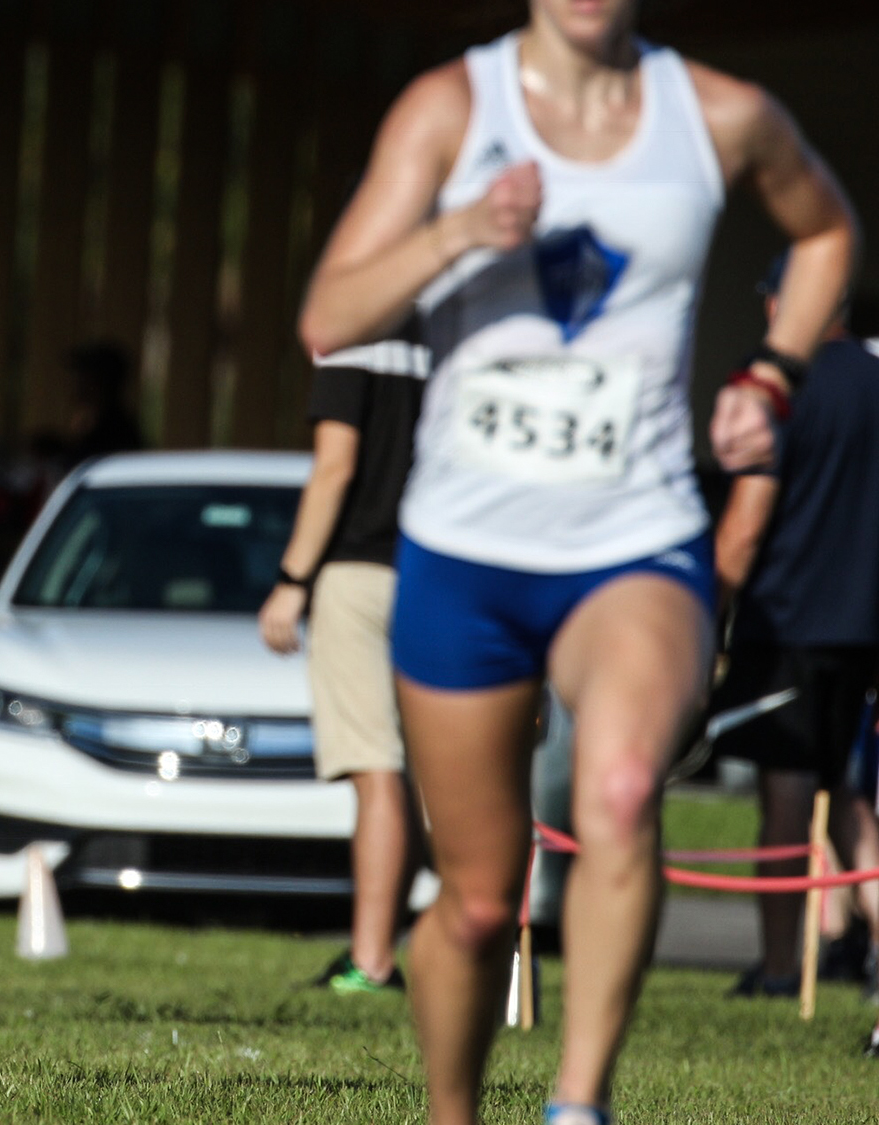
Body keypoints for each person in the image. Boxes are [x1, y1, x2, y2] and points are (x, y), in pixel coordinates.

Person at [296, 0, 858, 1120]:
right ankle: (450, 1107)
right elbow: (327, 315)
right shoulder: (451, 108)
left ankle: (576, 1104)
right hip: (464, 549)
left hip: (633, 539)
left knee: (614, 794)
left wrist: (772, 376)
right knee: (473, 896)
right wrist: (454, 232)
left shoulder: (718, 113)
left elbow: (825, 230)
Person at [712, 253, 879, 1001]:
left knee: (784, 795)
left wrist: (708, 614)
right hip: (862, 627)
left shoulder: (776, 385)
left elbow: (744, 524)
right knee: (844, 793)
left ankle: (780, 967)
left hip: (788, 621)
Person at [259, 338, 428, 995]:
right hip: (436, 573)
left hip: (359, 575)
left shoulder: (351, 346)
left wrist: (291, 579)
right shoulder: (448, 338)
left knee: (376, 769)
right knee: (423, 778)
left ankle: (371, 958)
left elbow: (334, 468)